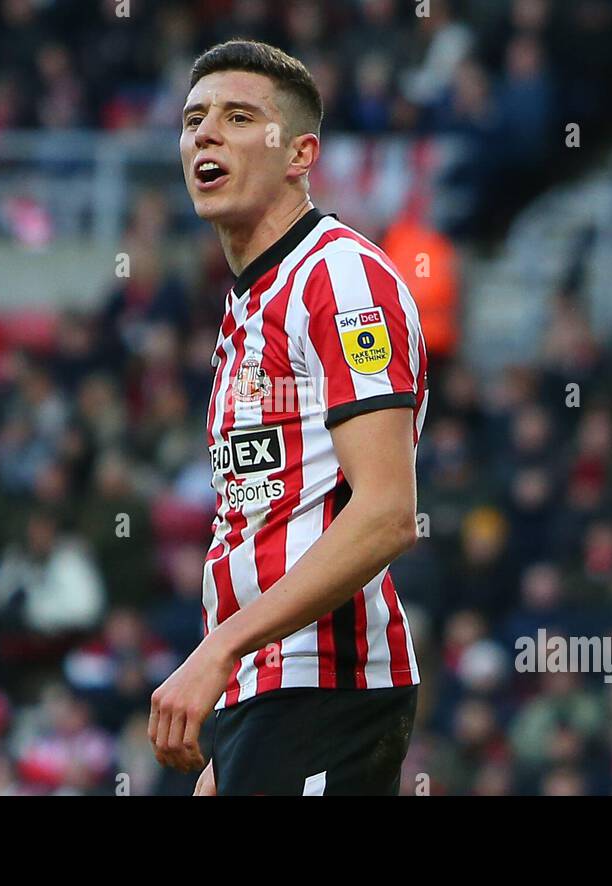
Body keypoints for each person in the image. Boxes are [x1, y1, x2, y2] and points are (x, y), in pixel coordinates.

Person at [149, 40, 429, 795]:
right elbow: (266, 514)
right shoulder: (247, 305)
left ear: (300, 153)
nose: (206, 134)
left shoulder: (340, 280)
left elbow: (386, 514)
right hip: (265, 693)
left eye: (239, 117)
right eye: (194, 119)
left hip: (324, 689)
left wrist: (215, 653)